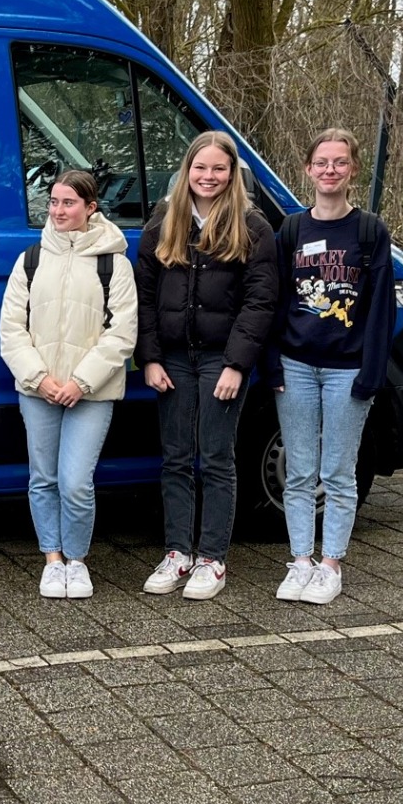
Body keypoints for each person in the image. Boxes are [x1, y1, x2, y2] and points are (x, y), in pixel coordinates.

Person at [134, 130, 278, 600]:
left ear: (232, 173)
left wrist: (238, 364)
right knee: (175, 458)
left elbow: (260, 302)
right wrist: (149, 357)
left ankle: (212, 558)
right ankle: (178, 551)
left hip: (221, 359)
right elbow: (145, 295)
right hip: (171, 359)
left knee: (216, 458)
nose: (208, 177)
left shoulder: (253, 227)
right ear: (186, 171)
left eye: (219, 169)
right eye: (200, 168)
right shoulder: (164, 220)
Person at [262, 129, 395, 604]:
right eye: (322, 162)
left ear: (353, 170)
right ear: (308, 169)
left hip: (347, 370)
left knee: (338, 472)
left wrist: (372, 371)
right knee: (298, 471)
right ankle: (300, 561)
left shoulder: (369, 231)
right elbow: (275, 301)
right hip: (295, 365)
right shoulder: (292, 231)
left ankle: (331, 562)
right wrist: (272, 364)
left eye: (340, 162)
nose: (330, 170)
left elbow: (381, 308)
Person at [0, 169, 137, 599]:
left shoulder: (114, 262)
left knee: (75, 480)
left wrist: (80, 382)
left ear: (90, 208)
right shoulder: (31, 259)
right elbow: (11, 329)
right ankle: (52, 560)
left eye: (69, 203)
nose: (58, 211)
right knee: (43, 478)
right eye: (54, 202)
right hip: (38, 390)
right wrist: (40, 379)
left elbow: (122, 333)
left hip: (90, 393)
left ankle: (77, 561)